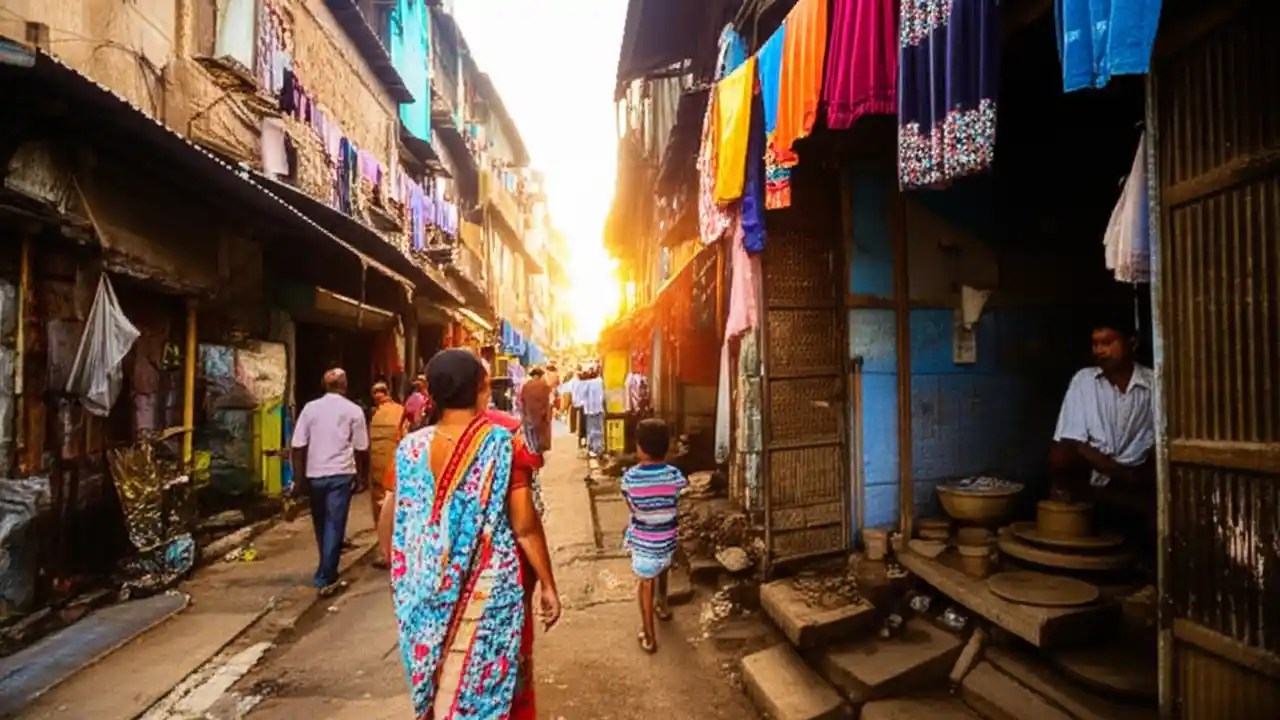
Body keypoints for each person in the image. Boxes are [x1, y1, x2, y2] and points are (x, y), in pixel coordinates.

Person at [379, 349, 560, 719]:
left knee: (441, 690)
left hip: (422, 593)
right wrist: (547, 584)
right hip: (487, 598)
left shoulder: (410, 448)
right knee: (488, 697)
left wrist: (403, 573)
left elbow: (390, 514)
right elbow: (525, 527)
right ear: (481, 390)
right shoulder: (502, 445)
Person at [1048, 317, 1155, 539]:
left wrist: (1133, 472)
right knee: (1060, 456)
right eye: (1095, 344)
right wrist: (1115, 471)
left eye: (1108, 342)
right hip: (1096, 467)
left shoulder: (1153, 384)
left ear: (1132, 343)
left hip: (1136, 469)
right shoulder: (1084, 380)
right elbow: (1073, 441)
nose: (1099, 350)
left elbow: (1159, 439)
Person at [291, 368, 369, 596]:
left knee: (321, 524)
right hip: (341, 474)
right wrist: (362, 477)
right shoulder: (353, 411)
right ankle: (326, 575)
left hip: (315, 474)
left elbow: (298, 446)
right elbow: (361, 448)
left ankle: (327, 569)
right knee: (335, 524)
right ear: (345, 385)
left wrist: (298, 480)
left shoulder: (310, 409)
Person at [621, 418, 687, 654]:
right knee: (663, 568)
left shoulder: (630, 478)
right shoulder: (675, 475)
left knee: (645, 583)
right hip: (668, 540)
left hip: (644, 543)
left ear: (640, 447)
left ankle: (649, 637)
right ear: (667, 446)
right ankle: (664, 605)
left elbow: (632, 507)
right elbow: (677, 497)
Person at [366, 382, 406, 568]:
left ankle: (389, 550)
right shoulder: (374, 413)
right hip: (377, 467)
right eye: (375, 392)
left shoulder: (397, 411)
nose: (378, 395)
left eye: (380, 392)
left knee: (388, 506)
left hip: (391, 465)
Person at [519, 367, 553, 455]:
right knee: (540, 435)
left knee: (531, 434)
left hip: (529, 414)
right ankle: (539, 451)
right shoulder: (545, 385)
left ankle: (533, 451)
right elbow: (548, 401)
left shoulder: (526, 386)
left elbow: (521, 401)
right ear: (540, 376)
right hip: (541, 415)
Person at [578, 367, 606, 457]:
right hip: (599, 408)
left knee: (591, 429)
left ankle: (593, 448)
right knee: (599, 429)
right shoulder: (600, 381)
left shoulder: (586, 383)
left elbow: (582, 396)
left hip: (589, 409)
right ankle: (599, 448)